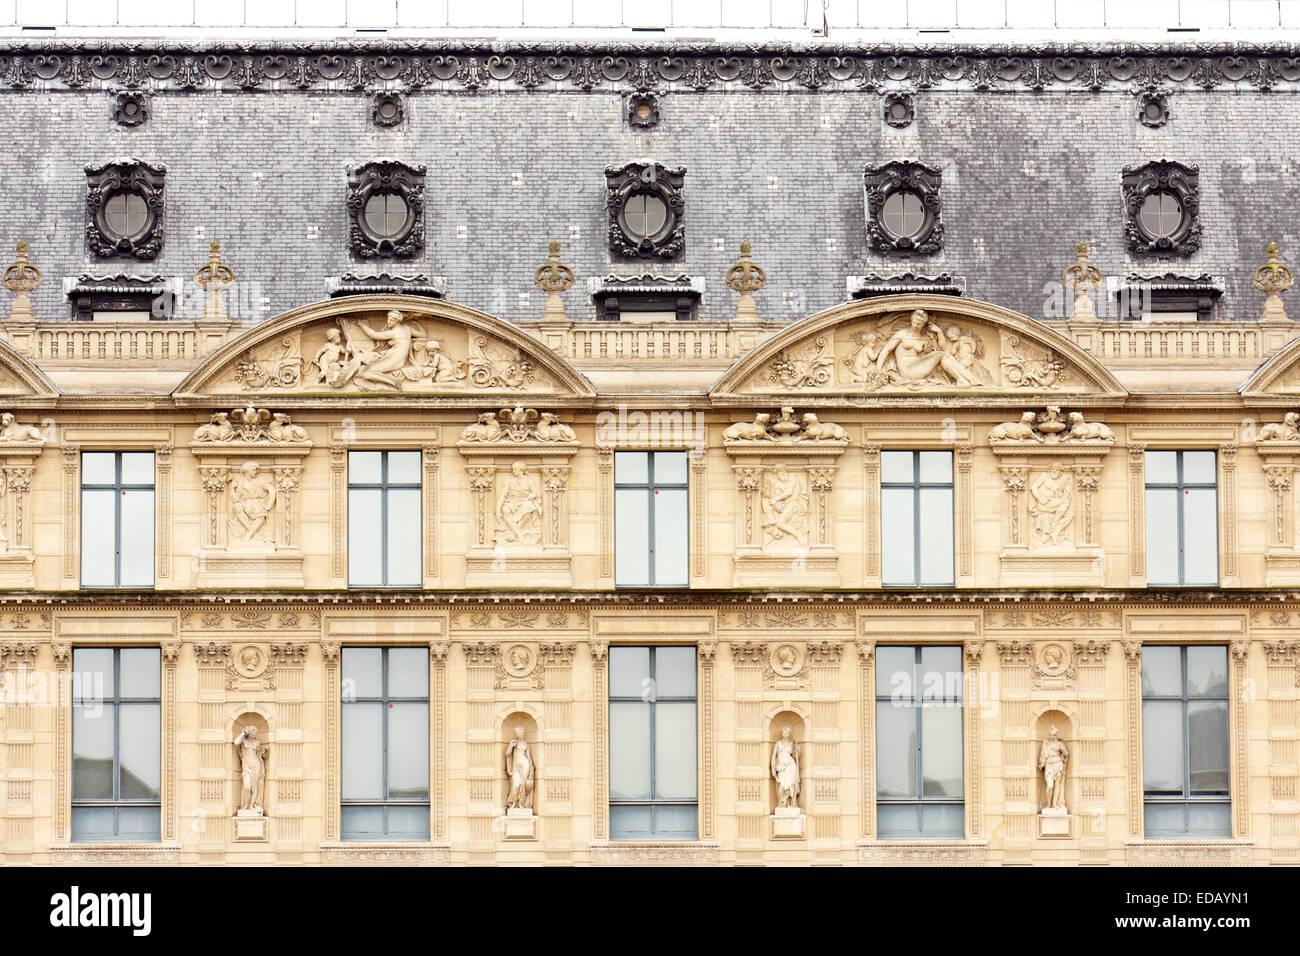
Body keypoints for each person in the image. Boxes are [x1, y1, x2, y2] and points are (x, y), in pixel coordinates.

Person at [875, 309, 980, 386]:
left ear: (923, 325)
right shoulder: (901, 334)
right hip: (907, 370)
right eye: (914, 322)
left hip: (919, 368)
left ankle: (967, 379)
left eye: (919, 324)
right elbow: (886, 350)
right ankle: (962, 379)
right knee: (941, 355)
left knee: (943, 355)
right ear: (911, 321)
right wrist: (878, 369)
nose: (916, 325)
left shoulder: (923, 338)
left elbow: (942, 348)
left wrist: (939, 331)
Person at [495, 462, 542, 545]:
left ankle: (514, 534)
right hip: (510, 502)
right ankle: (519, 535)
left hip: (523, 501)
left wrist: (532, 495)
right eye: (513, 469)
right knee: (505, 510)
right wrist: (498, 510)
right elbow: (503, 496)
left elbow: (535, 492)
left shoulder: (528, 480)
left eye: (515, 469)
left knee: (529, 507)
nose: (513, 471)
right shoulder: (508, 480)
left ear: (521, 470)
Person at [234, 724, 268, 814]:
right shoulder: (243, 740)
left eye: (255, 732)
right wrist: (243, 733)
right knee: (246, 787)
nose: (254, 734)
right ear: (248, 733)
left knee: (254, 786)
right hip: (247, 765)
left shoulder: (257, 742)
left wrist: (264, 753)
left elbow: (258, 754)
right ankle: (246, 805)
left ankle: (252, 805)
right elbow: (236, 742)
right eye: (252, 732)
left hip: (256, 764)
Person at [504, 726, 535, 810]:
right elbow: (507, 754)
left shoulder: (525, 744)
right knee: (516, 784)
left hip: (525, 764)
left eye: (521, 733)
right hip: (516, 765)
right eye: (518, 733)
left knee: (523, 784)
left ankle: (521, 803)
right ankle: (512, 802)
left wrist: (531, 769)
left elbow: (529, 757)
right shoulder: (514, 742)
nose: (519, 734)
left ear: (523, 733)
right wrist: (510, 746)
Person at [1038, 726, 1069, 812]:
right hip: (1049, 765)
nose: (1052, 737)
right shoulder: (1046, 743)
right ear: (1049, 735)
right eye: (1051, 735)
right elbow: (1042, 754)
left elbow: (1066, 754)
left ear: (1056, 735)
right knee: (1050, 785)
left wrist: (1062, 750)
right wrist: (1041, 763)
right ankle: (1048, 803)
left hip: (1058, 764)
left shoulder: (1060, 744)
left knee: (1057, 785)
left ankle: (1054, 804)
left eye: (1054, 735)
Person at [771, 728, 800, 809]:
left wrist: (796, 748)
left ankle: (791, 804)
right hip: (781, 767)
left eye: (787, 732)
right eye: (784, 732)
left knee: (791, 785)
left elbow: (794, 756)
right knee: (781, 785)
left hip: (790, 767)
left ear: (789, 734)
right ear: (782, 733)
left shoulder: (791, 744)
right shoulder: (778, 744)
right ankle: (782, 803)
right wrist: (773, 768)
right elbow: (773, 756)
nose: (785, 734)